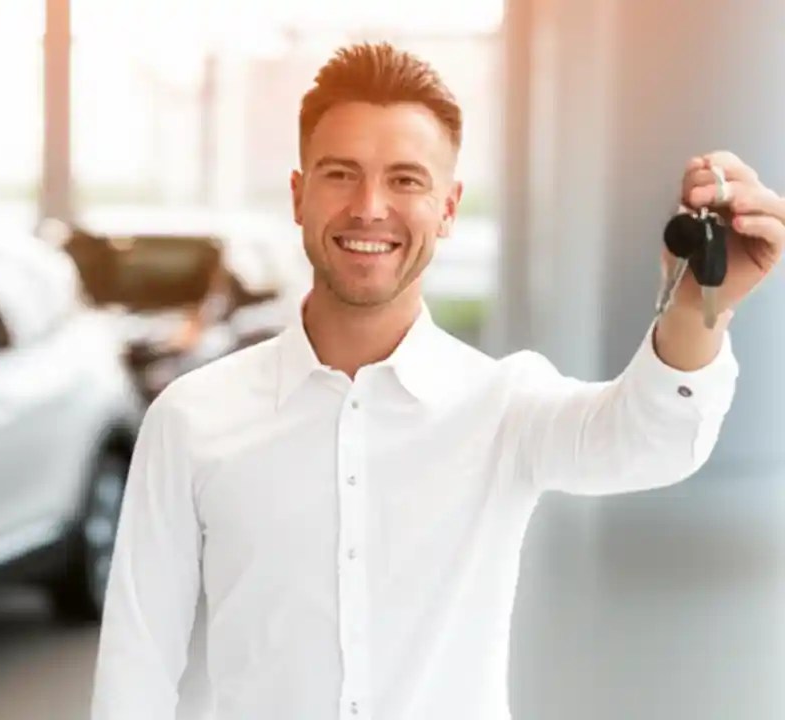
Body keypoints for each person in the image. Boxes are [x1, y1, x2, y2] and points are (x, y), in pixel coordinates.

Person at [89, 41, 785, 720]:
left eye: (405, 179)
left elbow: (651, 442)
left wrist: (698, 304)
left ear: (448, 208)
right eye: (340, 173)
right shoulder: (191, 418)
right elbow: (136, 666)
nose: (369, 206)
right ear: (298, 196)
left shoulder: (503, 407)